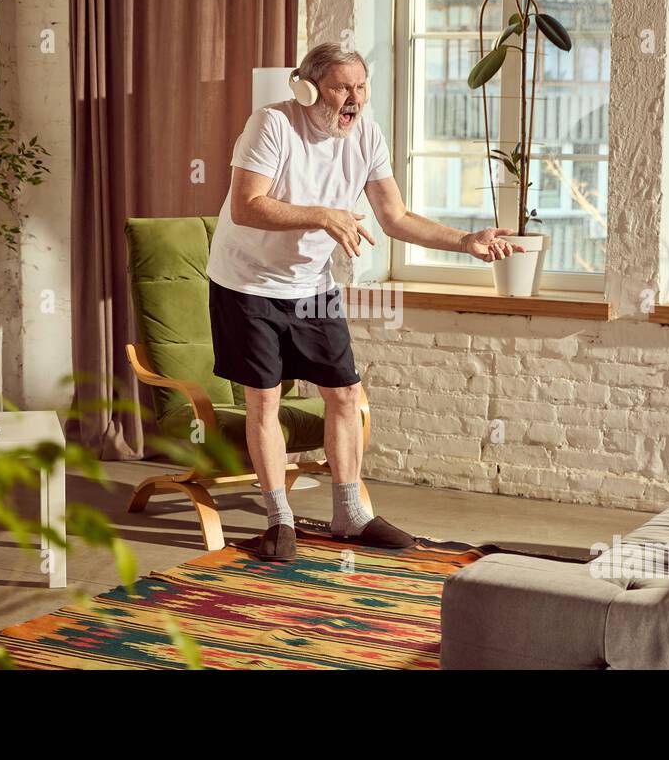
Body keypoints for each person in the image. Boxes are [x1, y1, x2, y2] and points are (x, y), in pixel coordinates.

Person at [207, 41, 522, 561]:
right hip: (249, 284)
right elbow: (246, 207)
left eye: (360, 87)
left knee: (345, 394)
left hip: (311, 285)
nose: (354, 99)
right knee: (265, 400)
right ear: (308, 88)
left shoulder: (366, 136)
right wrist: (322, 215)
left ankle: (350, 515)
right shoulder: (273, 125)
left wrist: (465, 241)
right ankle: (279, 520)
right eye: (340, 88)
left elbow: (395, 217)